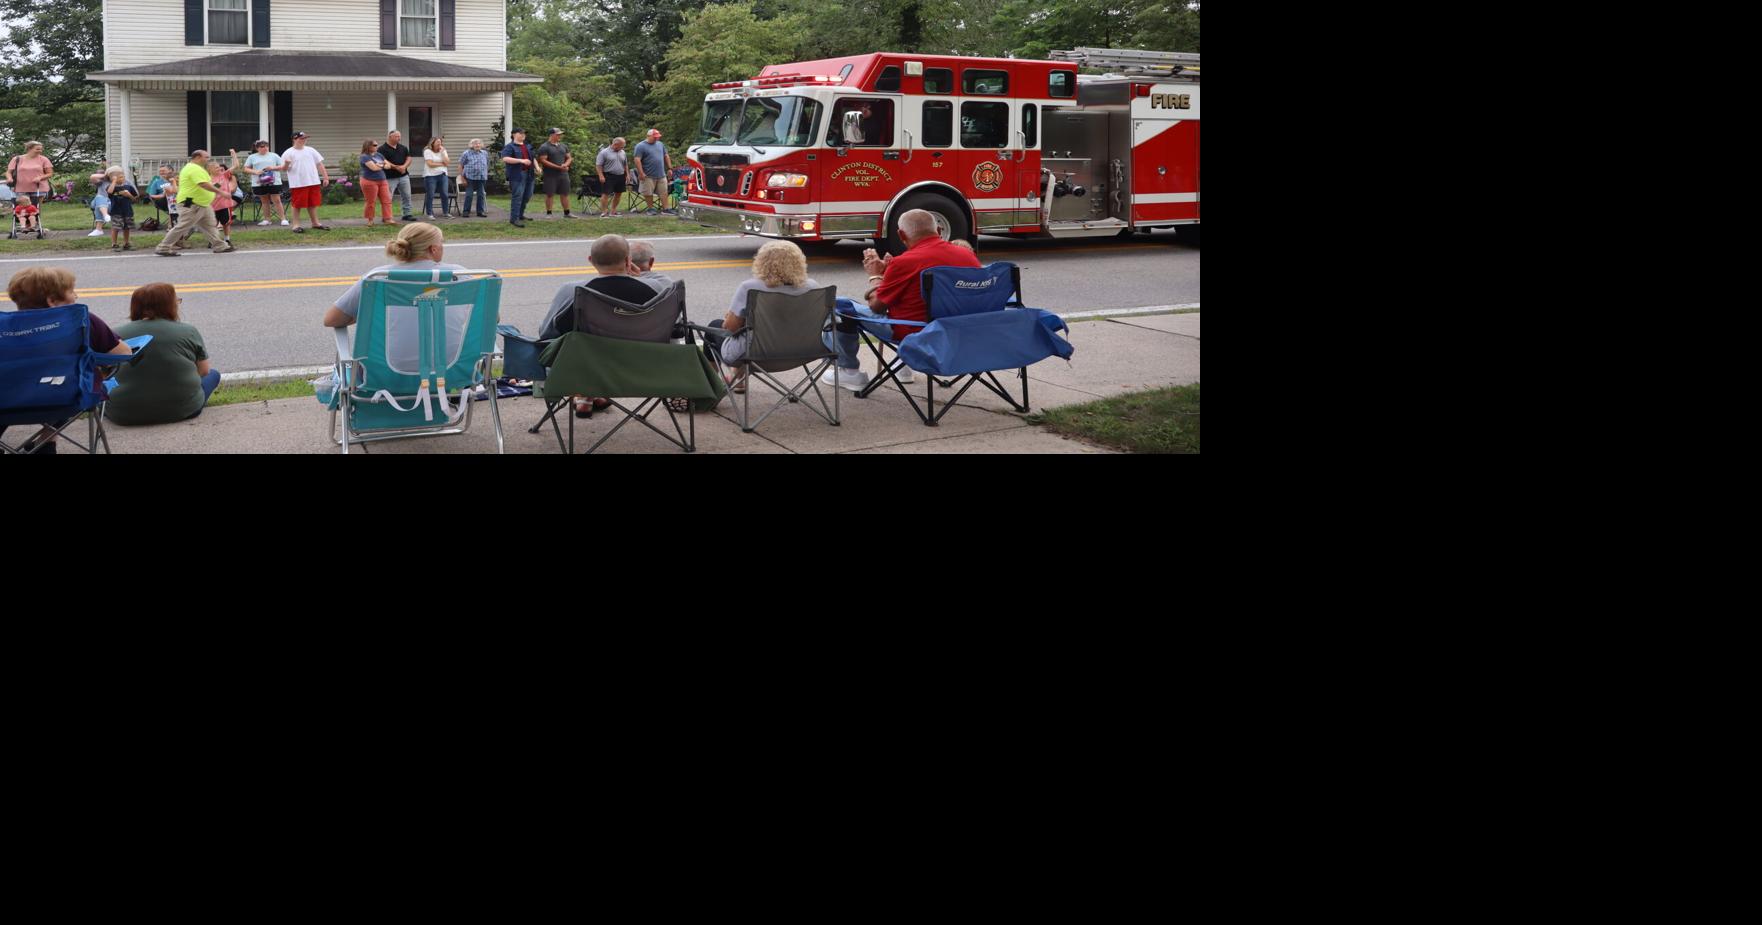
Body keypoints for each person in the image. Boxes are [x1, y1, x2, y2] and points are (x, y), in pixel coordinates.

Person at [821, 209, 978, 390]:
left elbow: (876, 307)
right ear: (940, 231)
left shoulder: (905, 262)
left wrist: (876, 276)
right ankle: (903, 366)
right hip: (959, 331)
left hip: (915, 332)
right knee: (916, 306)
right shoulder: (967, 256)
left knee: (839, 305)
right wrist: (890, 273)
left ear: (901, 234)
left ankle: (849, 372)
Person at [0, 267, 131, 454]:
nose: (76, 296)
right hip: (65, 400)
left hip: (7, 403)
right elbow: (121, 353)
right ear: (52, 301)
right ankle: (46, 441)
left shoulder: (3, 326)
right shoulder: (81, 321)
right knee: (73, 378)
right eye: (71, 291)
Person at [536, 234, 656, 417]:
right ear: (628, 260)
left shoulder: (572, 291)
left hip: (583, 369)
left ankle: (584, 393)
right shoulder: (652, 293)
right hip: (641, 370)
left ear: (591, 261)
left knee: (577, 347)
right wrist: (638, 281)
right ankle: (591, 394)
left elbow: (547, 333)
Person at [699, 241, 823, 393]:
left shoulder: (750, 287)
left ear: (762, 262)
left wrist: (730, 319)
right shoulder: (812, 286)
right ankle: (737, 378)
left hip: (757, 356)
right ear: (799, 262)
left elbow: (731, 327)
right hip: (805, 352)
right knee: (750, 334)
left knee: (716, 327)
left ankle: (710, 388)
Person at [322, 223, 467, 351]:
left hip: (386, 377)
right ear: (434, 249)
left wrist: (367, 313)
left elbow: (331, 319)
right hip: (454, 372)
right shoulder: (460, 276)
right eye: (442, 243)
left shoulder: (378, 277)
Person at [108, 283, 222, 425]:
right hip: (183, 410)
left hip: (124, 414)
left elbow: (105, 372)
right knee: (214, 374)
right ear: (169, 306)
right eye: (177, 301)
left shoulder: (115, 334)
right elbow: (204, 371)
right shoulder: (189, 331)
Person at [155, 150, 236, 256]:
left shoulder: (197, 169)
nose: (208, 159)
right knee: (184, 225)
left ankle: (220, 245)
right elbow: (203, 184)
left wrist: (218, 186)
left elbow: (206, 184)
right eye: (206, 157)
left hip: (202, 203)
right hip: (190, 201)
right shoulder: (193, 169)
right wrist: (221, 192)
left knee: (209, 225)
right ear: (198, 157)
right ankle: (163, 247)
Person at [281, 132, 331, 233]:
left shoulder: (311, 150)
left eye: (305, 138)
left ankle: (315, 223)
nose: (304, 140)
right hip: (298, 183)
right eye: (301, 138)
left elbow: (319, 164)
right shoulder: (288, 152)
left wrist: (325, 177)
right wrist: (286, 164)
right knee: (297, 205)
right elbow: (284, 169)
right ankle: (296, 225)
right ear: (295, 139)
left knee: (312, 204)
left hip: (313, 181)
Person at [243, 140, 288, 226]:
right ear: (257, 148)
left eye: (266, 146)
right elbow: (246, 169)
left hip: (274, 182)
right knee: (264, 201)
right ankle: (267, 220)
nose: (265, 148)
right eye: (262, 147)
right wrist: (255, 172)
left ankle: (283, 219)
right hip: (258, 182)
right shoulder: (252, 157)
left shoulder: (274, 155)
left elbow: (282, 166)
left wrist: (272, 168)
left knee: (277, 200)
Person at [4, 141, 54, 214]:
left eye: (41, 149)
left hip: (38, 187)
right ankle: (24, 222)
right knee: (22, 207)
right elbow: (8, 172)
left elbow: (50, 173)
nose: (40, 151)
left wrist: (40, 178)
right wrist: (9, 178)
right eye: (37, 149)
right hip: (21, 188)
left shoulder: (44, 159)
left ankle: (35, 222)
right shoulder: (17, 159)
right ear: (29, 149)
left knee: (35, 208)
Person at [631, 128, 673, 215]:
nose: (656, 139)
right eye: (654, 137)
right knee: (648, 193)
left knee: (664, 192)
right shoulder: (640, 146)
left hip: (661, 174)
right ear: (648, 136)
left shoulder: (660, 144)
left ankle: (666, 209)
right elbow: (637, 160)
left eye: (657, 137)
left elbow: (666, 156)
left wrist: (669, 168)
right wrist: (641, 173)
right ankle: (650, 209)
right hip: (648, 175)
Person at [377, 130, 417, 221]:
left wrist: (404, 167)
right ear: (390, 137)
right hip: (389, 177)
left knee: (407, 195)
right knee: (388, 197)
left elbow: (409, 158)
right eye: (396, 136)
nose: (399, 138)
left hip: (404, 176)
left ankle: (407, 214)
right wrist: (396, 167)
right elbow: (383, 161)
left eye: (399, 136)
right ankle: (387, 216)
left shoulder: (403, 148)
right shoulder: (381, 149)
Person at [501, 127, 536, 227]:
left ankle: (520, 215)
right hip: (517, 175)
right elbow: (505, 159)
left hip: (529, 174)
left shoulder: (527, 146)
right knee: (517, 196)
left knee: (527, 195)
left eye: (524, 133)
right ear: (514, 135)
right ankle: (514, 219)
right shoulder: (510, 147)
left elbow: (532, 158)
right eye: (521, 133)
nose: (523, 135)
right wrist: (521, 160)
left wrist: (537, 167)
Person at [536, 127, 573, 218]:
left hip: (563, 174)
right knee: (550, 194)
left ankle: (567, 213)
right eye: (558, 134)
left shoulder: (563, 146)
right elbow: (543, 160)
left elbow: (569, 157)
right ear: (552, 135)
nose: (560, 136)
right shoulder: (544, 147)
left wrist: (566, 165)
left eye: (560, 134)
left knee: (565, 193)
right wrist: (558, 167)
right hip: (550, 175)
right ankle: (549, 213)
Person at [359, 139, 393, 225]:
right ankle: (370, 220)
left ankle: (387, 219)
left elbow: (388, 166)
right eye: (374, 145)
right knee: (371, 201)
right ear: (368, 146)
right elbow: (374, 168)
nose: (376, 146)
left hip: (382, 180)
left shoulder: (379, 155)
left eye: (377, 145)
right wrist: (382, 165)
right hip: (369, 181)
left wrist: (380, 165)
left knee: (387, 200)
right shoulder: (364, 156)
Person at [104, 167, 139, 251]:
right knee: (115, 228)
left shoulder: (128, 187)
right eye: (120, 177)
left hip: (127, 211)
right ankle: (114, 244)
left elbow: (135, 199)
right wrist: (114, 181)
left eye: (123, 176)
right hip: (116, 211)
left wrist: (129, 195)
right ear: (112, 178)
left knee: (127, 227)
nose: (122, 178)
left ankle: (126, 243)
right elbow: (109, 192)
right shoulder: (111, 186)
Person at [212, 154, 243, 244]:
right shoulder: (209, 179)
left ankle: (227, 239)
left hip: (225, 204)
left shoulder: (224, 176)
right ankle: (213, 240)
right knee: (213, 224)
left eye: (220, 168)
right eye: (216, 168)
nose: (219, 170)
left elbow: (236, 165)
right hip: (214, 205)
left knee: (226, 223)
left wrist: (233, 154)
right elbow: (212, 189)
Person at [595, 137, 628, 217]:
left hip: (620, 175)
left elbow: (625, 164)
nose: (622, 148)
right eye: (621, 146)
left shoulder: (622, 152)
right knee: (606, 194)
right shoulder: (604, 152)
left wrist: (627, 175)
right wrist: (601, 176)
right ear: (615, 144)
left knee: (618, 193)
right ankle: (604, 212)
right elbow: (598, 165)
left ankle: (613, 211)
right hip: (608, 176)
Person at [422, 136, 452, 219]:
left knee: (445, 194)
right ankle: (430, 214)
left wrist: (443, 153)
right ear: (432, 143)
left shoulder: (443, 150)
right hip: (430, 176)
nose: (439, 143)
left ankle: (446, 213)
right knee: (430, 195)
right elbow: (430, 164)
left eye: (440, 142)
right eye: (437, 142)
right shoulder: (427, 151)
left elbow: (448, 162)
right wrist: (442, 164)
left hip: (443, 175)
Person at [459, 138, 490, 217]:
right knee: (469, 195)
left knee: (481, 195)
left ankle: (480, 212)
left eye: (479, 143)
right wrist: (462, 178)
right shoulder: (466, 153)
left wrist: (485, 173)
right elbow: (460, 165)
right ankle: (466, 212)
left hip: (481, 177)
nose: (477, 145)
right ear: (471, 145)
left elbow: (487, 164)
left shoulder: (484, 153)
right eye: (475, 144)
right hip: (470, 177)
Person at [87, 169, 113, 236]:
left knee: (99, 206)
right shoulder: (100, 183)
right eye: (99, 175)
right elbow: (93, 176)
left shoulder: (113, 182)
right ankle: (105, 215)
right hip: (96, 202)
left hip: (108, 204)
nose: (99, 177)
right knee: (99, 197)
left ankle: (99, 230)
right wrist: (106, 175)